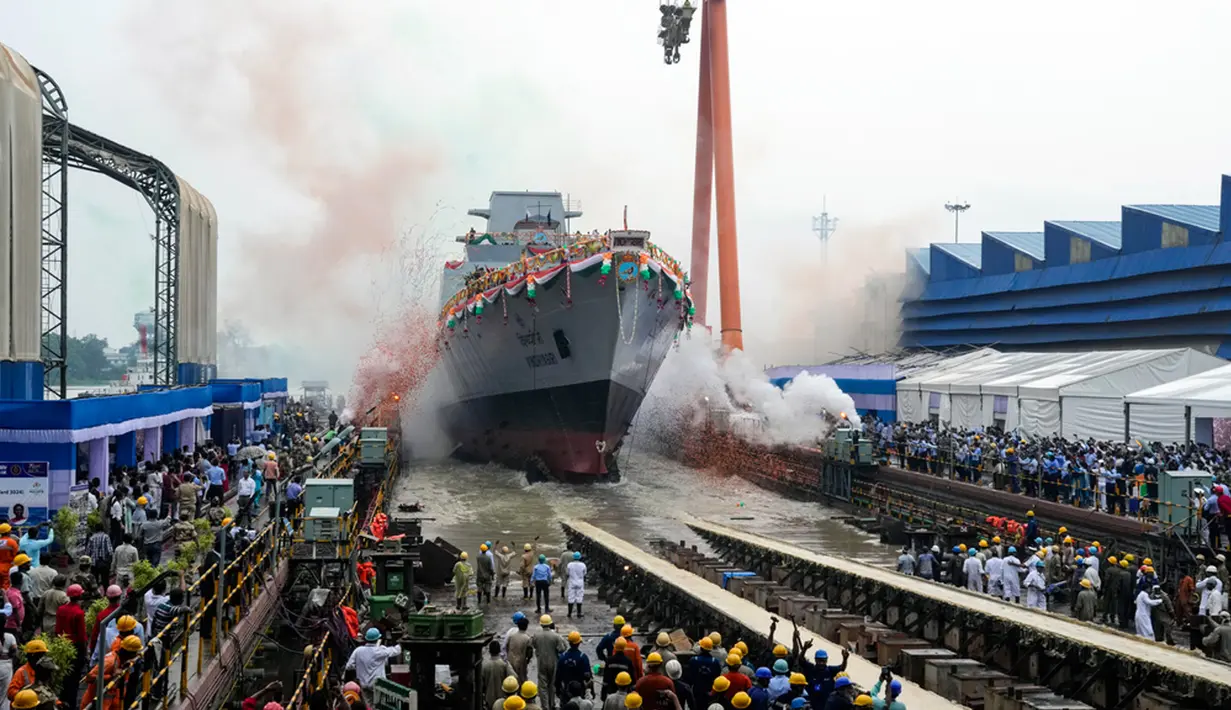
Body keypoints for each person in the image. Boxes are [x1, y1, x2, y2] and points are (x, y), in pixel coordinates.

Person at [80, 635, 143, 710]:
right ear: (130, 653)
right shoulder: (110, 662)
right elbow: (89, 678)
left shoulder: (122, 660)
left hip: (107, 704)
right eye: (135, 653)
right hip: (93, 704)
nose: (136, 655)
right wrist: (111, 676)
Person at [344, 628, 402, 707]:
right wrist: (401, 641)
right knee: (380, 706)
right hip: (378, 685)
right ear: (378, 639)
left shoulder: (358, 651)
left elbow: (349, 666)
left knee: (367, 706)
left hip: (363, 684)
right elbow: (396, 650)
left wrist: (360, 667)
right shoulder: (380, 651)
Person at [55, 585, 87, 706]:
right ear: (79, 596)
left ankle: (62, 701)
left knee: (64, 677)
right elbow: (82, 636)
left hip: (62, 646)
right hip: (75, 648)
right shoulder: (78, 613)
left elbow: (57, 630)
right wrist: (84, 653)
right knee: (74, 679)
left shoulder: (61, 609)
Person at [558, 631, 594, 707]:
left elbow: (558, 676)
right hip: (580, 691)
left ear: (569, 643)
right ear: (579, 643)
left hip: (566, 691)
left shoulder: (562, 657)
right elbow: (588, 677)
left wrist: (558, 691)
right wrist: (591, 691)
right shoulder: (583, 657)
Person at [482, 640, 516, 710]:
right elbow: (514, 677)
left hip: (489, 700)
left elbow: (480, 685)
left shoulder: (484, 665)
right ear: (499, 651)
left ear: (489, 651)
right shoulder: (504, 664)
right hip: (502, 699)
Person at [507, 616, 534, 684]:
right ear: (526, 626)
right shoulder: (527, 638)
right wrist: (527, 660)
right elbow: (530, 653)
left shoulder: (512, 636)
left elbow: (507, 647)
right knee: (521, 681)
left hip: (510, 661)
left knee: (511, 681)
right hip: (521, 663)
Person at [0, 607, 15, 710]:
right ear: (5, 624)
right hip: (6, 665)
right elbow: (14, 651)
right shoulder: (10, 637)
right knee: (5, 694)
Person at [566, 552, 587, 619]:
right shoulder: (583, 565)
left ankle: (569, 613)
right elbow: (584, 573)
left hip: (572, 582)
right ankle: (579, 613)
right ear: (580, 557)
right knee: (579, 597)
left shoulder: (569, 565)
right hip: (580, 582)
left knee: (571, 597)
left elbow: (567, 573)